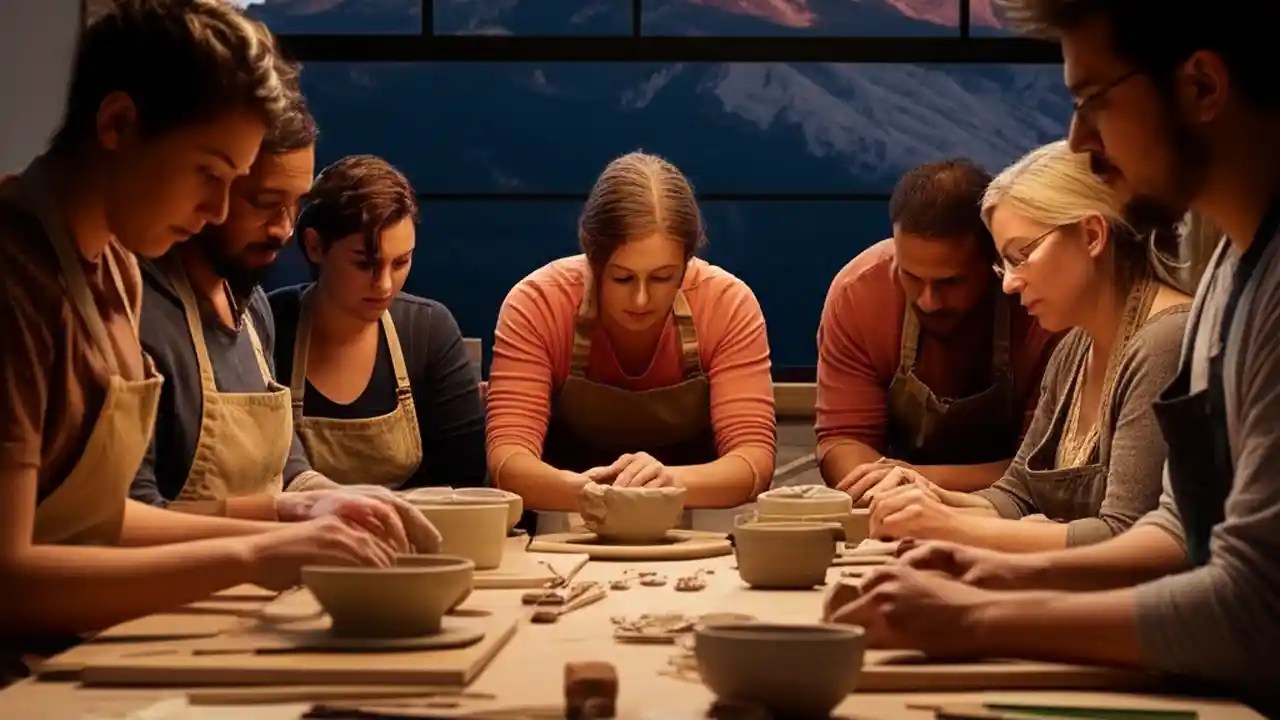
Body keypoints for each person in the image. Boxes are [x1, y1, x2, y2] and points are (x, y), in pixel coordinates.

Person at [826, 0, 1280, 713]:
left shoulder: (1219, 310)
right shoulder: (1230, 273)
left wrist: (971, 613)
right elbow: (1175, 526)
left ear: (1201, 87)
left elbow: (1254, 612)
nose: (1078, 141)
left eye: (1092, 100)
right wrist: (984, 569)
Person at [0, 0, 403, 644]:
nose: (217, 210)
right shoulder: (15, 275)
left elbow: (103, 522)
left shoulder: (115, 272)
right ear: (118, 122)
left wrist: (291, 516)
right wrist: (250, 555)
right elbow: (10, 576)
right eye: (210, 174)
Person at [128, 92, 441, 541]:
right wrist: (281, 519)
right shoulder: (141, 311)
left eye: (295, 204)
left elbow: (287, 468)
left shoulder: (253, 309)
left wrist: (338, 500)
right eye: (264, 202)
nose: (284, 228)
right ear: (210, 187)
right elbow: (127, 514)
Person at [860, 140, 1190, 551]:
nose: (1009, 283)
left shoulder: (1164, 341)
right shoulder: (1074, 349)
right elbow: (1017, 495)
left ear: (1091, 235)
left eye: (1021, 255)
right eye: (1003, 263)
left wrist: (949, 526)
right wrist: (925, 495)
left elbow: (1126, 534)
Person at [485, 151, 776, 528]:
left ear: (688, 262)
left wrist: (673, 483)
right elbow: (507, 459)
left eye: (663, 278)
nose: (641, 299)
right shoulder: (539, 303)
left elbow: (753, 461)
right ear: (592, 258)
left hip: (697, 538)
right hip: (562, 534)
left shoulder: (726, 305)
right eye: (622, 278)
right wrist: (580, 492)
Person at [816, 159, 1062, 502]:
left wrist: (914, 480)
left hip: (1017, 512)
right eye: (911, 277)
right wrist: (878, 485)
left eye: (950, 282)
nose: (929, 301)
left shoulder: (1041, 307)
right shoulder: (860, 294)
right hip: (898, 509)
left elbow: (1048, 467)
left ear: (994, 261)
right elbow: (843, 438)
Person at [269, 155, 486, 490]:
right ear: (315, 246)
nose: (384, 284)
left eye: (400, 262)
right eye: (364, 264)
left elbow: (464, 478)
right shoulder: (269, 325)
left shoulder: (428, 330)